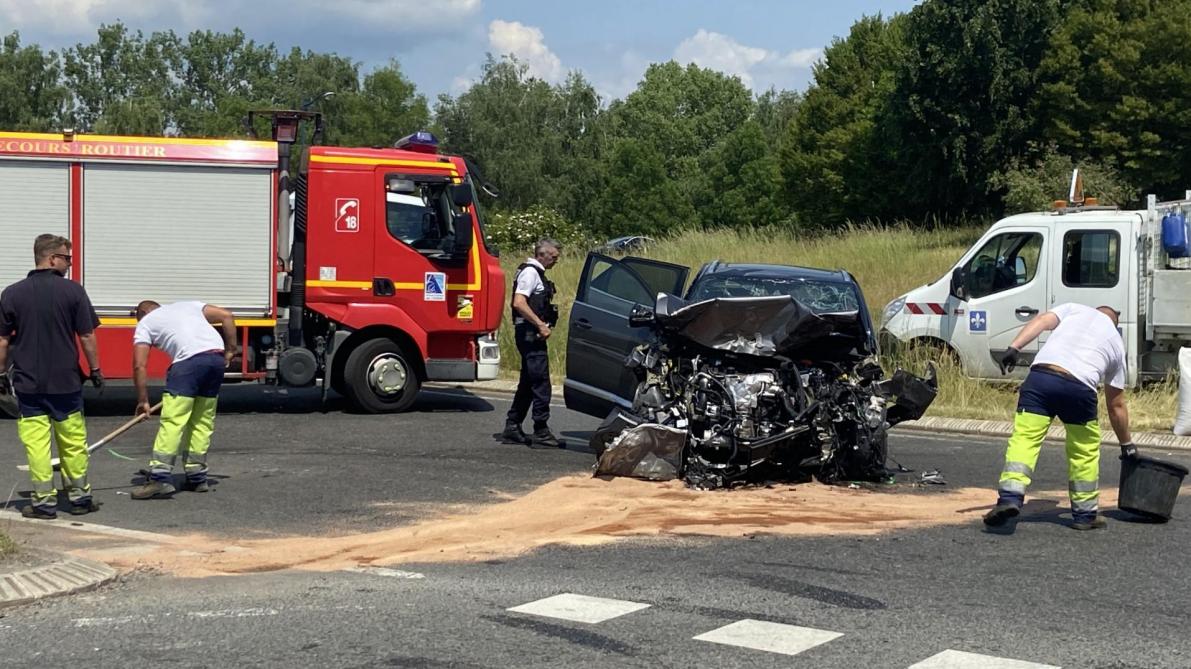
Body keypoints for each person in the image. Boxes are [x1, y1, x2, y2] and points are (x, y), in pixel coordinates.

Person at [983, 303, 1135, 531]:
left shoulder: (1074, 309)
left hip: (1041, 379)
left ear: (1095, 310)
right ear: (1115, 323)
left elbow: (1041, 321)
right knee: (1084, 449)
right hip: (1079, 388)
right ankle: (1084, 516)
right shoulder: (1115, 342)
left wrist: (1014, 347)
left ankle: (1009, 499)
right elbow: (1116, 405)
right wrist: (1127, 444)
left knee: (1024, 440)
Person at [0, 234, 103, 519]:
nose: (70, 264)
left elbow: (2, 341)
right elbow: (86, 335)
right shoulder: (73, 292)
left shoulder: (11, 293)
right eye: (67, 258)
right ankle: (80, 499)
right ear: (52, 258)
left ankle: (43, 503)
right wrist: (95, 370)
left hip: (28, 384)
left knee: (37, 445)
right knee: (72, 442)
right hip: (66, 382)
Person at [130, 300, 236, 499]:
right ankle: (197, 477)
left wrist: (143, 400)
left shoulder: (145, 322)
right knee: (202, 421)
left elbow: (139, 366)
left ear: (142, 313)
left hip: (188, 364)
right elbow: (227, 316)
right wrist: (231, 350)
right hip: (215, 359)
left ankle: (159, 479)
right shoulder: (189, 306)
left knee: (173, 421)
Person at [500, 239, 563, 448]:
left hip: (528, 332)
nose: (555, 261)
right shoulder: (530, 273)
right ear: (541, 254)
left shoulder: (533, 273)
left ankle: (512, 426)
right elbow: (518, 302)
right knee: (540, 381)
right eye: (553, 257)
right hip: (530, 333)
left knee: (528, 382)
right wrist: (540, 325)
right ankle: (541, 429)